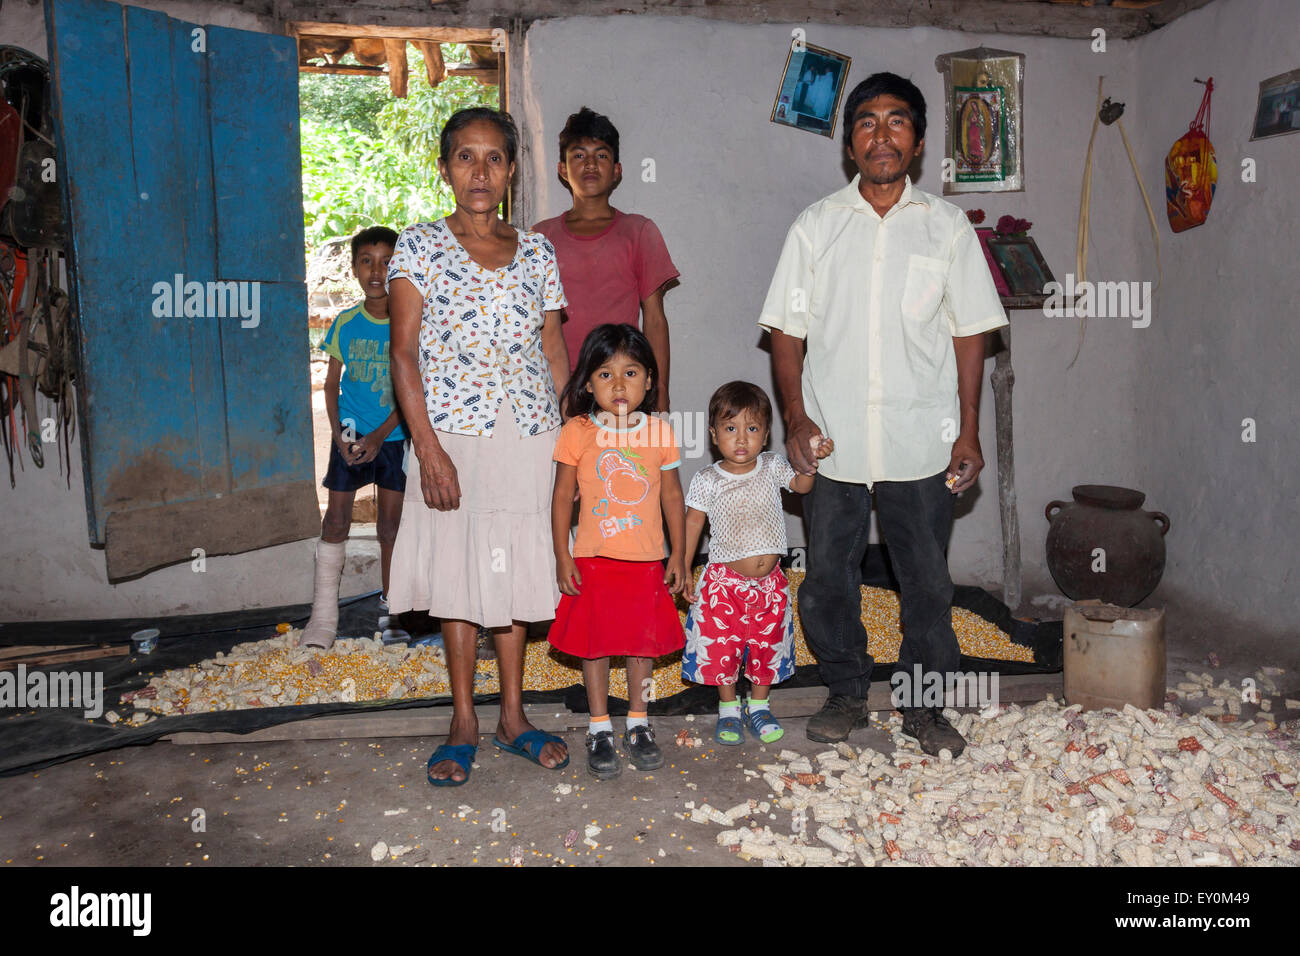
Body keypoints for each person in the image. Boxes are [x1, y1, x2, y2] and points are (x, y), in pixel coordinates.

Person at [759, 73, 1007, 757]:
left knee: (926, 581)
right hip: (833, 438)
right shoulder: (816, 226)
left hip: (920, 437)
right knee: (827, 579)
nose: (882, 135)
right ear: (850, 145)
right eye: (866, 123)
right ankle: (845, 691)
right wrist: (797, 419)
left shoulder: (946, 227)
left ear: (920, 142)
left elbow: (969, 332)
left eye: (898, 122)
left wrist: (967, 428)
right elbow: (786, 332)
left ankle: (923, 706)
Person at [387, 107, 572, 786]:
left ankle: (513, 717)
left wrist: (576, 436)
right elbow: (403, 355)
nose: (480, 171)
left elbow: (554, 349)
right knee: (460, 578)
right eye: (465, 157)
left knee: (519, 574)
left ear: (512, 171)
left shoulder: (538, 252)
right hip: (452, 438)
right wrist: (429, 452)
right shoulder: (418, 247)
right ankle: (464, 717)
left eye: (495, 158)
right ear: (444, 169)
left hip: (529, 434)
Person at [548, 324, 687, 780]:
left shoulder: (660, 432)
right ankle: (599, 726)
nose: (620, 384)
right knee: (595, 646)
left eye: (631, 372)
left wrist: (679, 555)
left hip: (645, 561)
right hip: (592, 559)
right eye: (605, 375)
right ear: (588, 382)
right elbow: (561, 495)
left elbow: (671, 497)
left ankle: (639, 722)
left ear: (649, 381)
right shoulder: (577, 431)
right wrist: (562, 556)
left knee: (640, 646)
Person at [680, 381, 832, 745]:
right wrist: (684, 566)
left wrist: (811, 460)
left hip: (770, 584)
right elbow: (692, 523)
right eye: (731, 429)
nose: (742, 439)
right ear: (714, 434)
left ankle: (760, 707)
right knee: (721, 646)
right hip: (723, 584)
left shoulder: (772, 466)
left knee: (767, 644)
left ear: (765, 435)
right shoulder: (707, 479)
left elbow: (802, 486)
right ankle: (729, 709)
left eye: (752, 429)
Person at [300, 226, 407, 650]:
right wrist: (342, 437)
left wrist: (382, 435)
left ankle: (392, 609)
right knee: (337, 519)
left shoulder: (409, 320)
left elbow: (415, 386)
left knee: (390, 527)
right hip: (351, 430)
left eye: (386, 260)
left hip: (395, 436)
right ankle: (323, 616)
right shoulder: (345, 322)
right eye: (367, 260)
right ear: (354, 268)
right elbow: (330, 386)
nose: (377, 270)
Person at [533, 107, 680, 412]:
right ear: (562, 169)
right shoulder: (539, 238)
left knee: (623, 462)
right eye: (579, 155)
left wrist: (660, 395)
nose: (590, 164)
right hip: (555, 390)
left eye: (601, 155)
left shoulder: (639, 231)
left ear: (616, 170)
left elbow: (654, 319)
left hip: (622, 392)